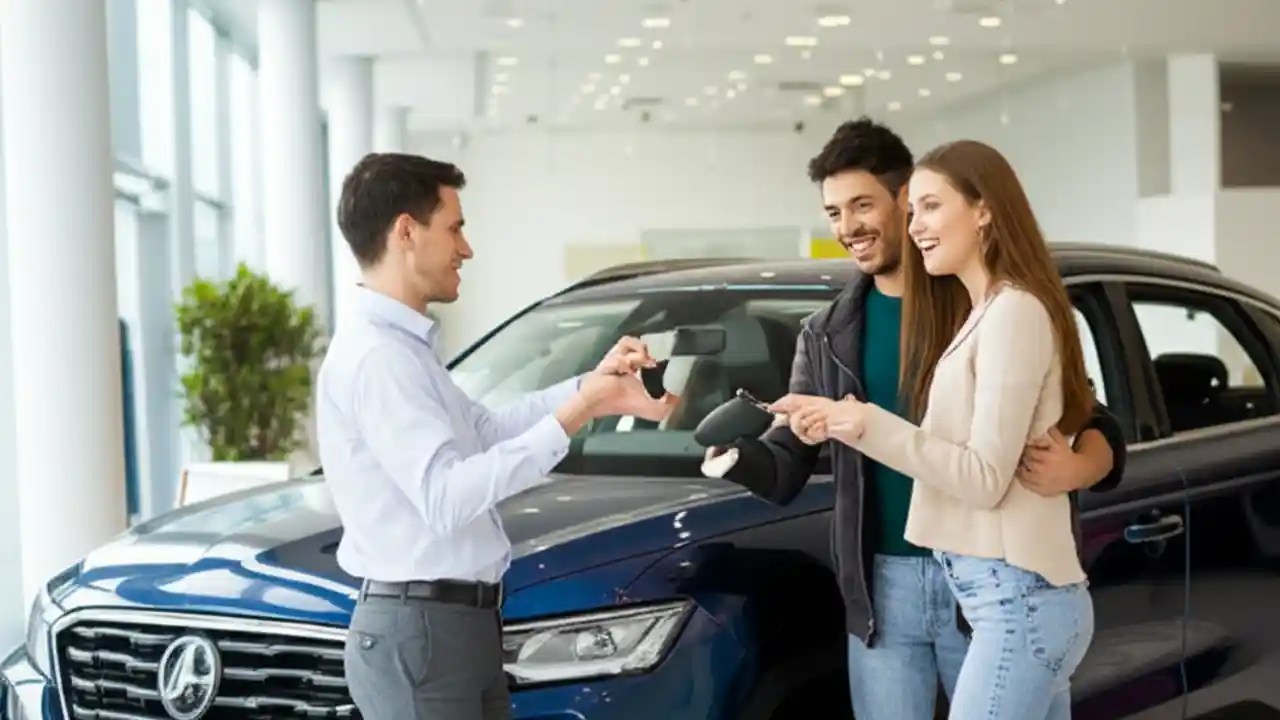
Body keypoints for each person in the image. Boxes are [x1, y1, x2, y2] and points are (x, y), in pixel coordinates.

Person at [701, 119, 1124, 720]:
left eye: (862, 205)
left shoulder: (979, 304)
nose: (848, 228)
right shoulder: (826, 334)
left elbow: (1084, 414)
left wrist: (1078, 468)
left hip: (986, 578)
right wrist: (736, 457)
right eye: (833, 213)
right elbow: (786, 464)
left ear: (904, 200)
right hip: (883, 591)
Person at [316, 152, 674, 720]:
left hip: (453, 629)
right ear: (406, 231)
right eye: (454, 228)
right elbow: (445, 498)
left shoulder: (402, 348)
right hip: (425, 636)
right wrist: (578, 411)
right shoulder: (379, 357)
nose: (466, 249)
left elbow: (485, 432)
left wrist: (591, 388)